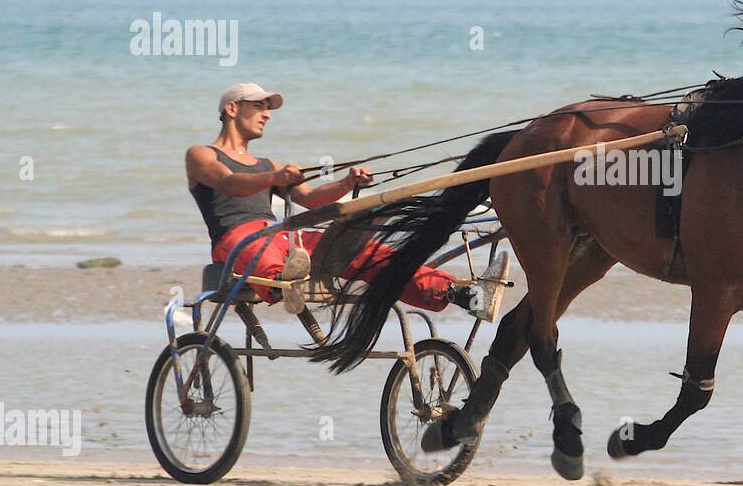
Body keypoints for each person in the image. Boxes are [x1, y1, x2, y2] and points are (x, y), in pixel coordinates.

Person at [187, 82, 505, 318]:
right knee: (258, 243)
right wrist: (273, 179)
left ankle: (459, 293)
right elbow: (228, 183)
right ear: (231, 109)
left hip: (284, 236)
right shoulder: (201, 155)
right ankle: (280, 284)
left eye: (267, 108)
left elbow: (311, 200)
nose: (267, 115)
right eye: (259, 106)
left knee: (368, 253)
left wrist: (347, 182)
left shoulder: (268, 165)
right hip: (237, 238)